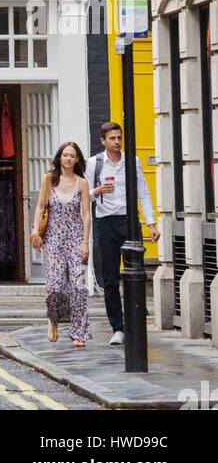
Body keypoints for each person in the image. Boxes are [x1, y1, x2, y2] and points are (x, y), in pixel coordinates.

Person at [85, 121, 159, 346]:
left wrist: (151, 223)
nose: (117, 142)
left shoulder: (132, 162)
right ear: (103, 141)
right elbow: (84, 195)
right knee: (110, 277)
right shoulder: (94, 164)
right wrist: (97, 191)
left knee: (134, 273)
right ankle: (117, 328)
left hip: (129, 221)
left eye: (119, 138)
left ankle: (134, 321)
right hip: (105, 223)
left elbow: (143, 193)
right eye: (112, 139)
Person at [30, 141, 91, 347]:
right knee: (55, 284)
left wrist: (85, 242)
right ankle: (53, 321)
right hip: (54, 241)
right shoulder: (49, 179)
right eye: (65, 155)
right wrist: (35, 231)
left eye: (72, 155)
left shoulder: (82, 182)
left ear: (77, 159)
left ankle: (79, 332)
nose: (68, 158)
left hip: (76, 240)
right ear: (59, 157)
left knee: (79, 285)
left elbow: (86, 214)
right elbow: (40, 206)